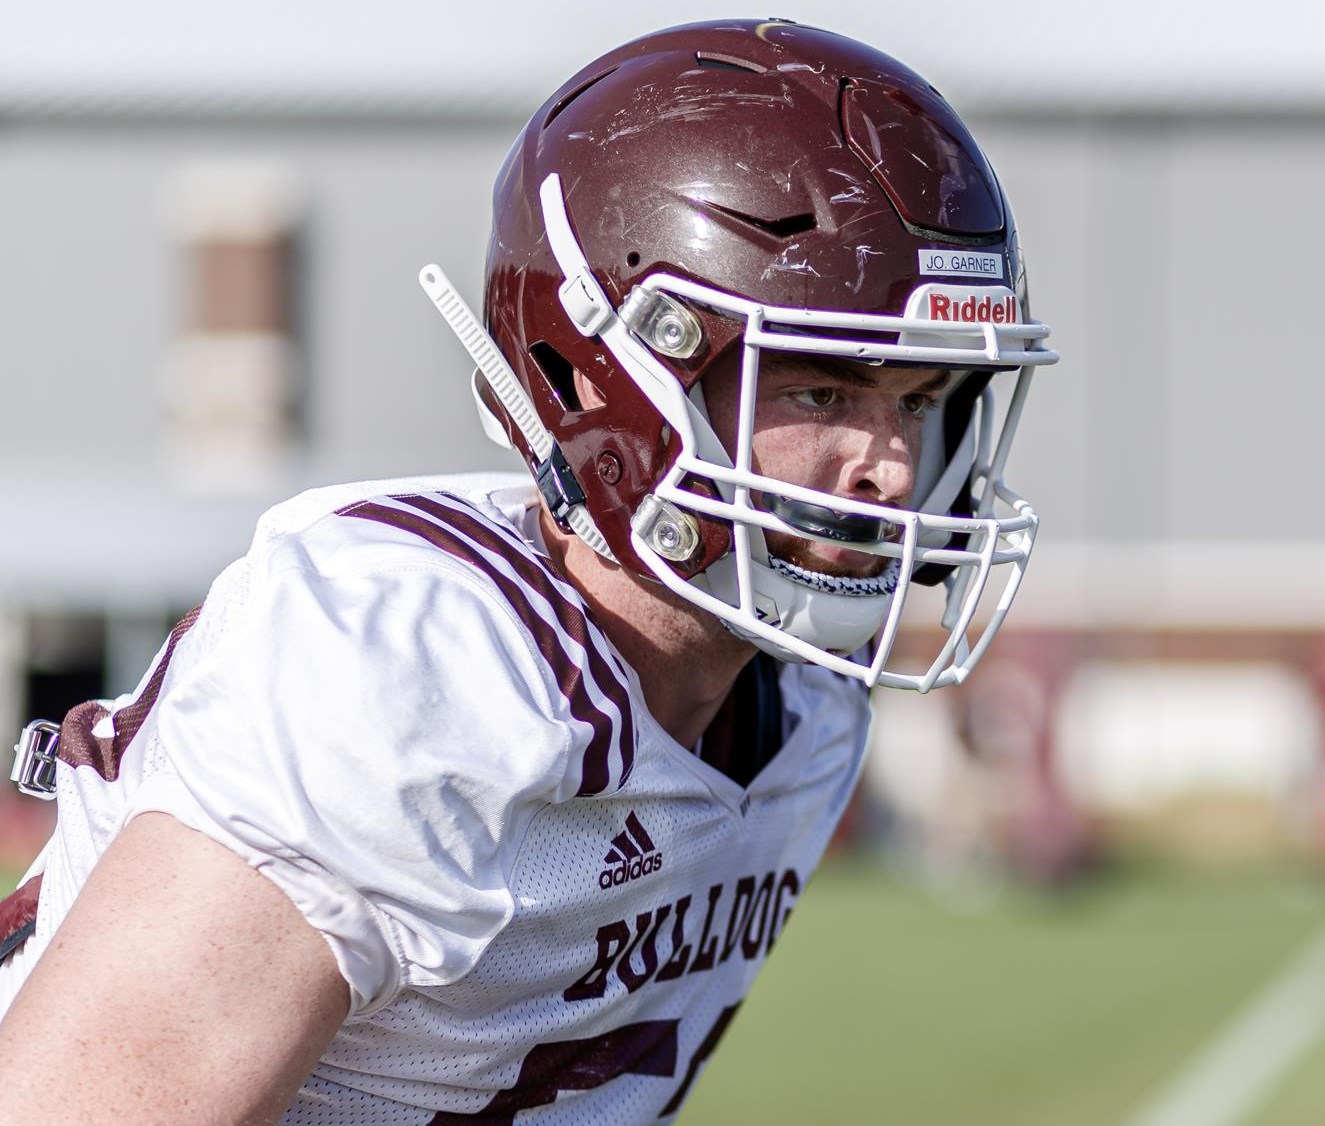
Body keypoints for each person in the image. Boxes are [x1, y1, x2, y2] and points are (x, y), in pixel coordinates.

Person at [0, 18, 1058, 1124]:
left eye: (924, 403)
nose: (888, 470)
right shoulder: (406, 675)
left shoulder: (804, 714)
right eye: (822, 392)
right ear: (596, 376)